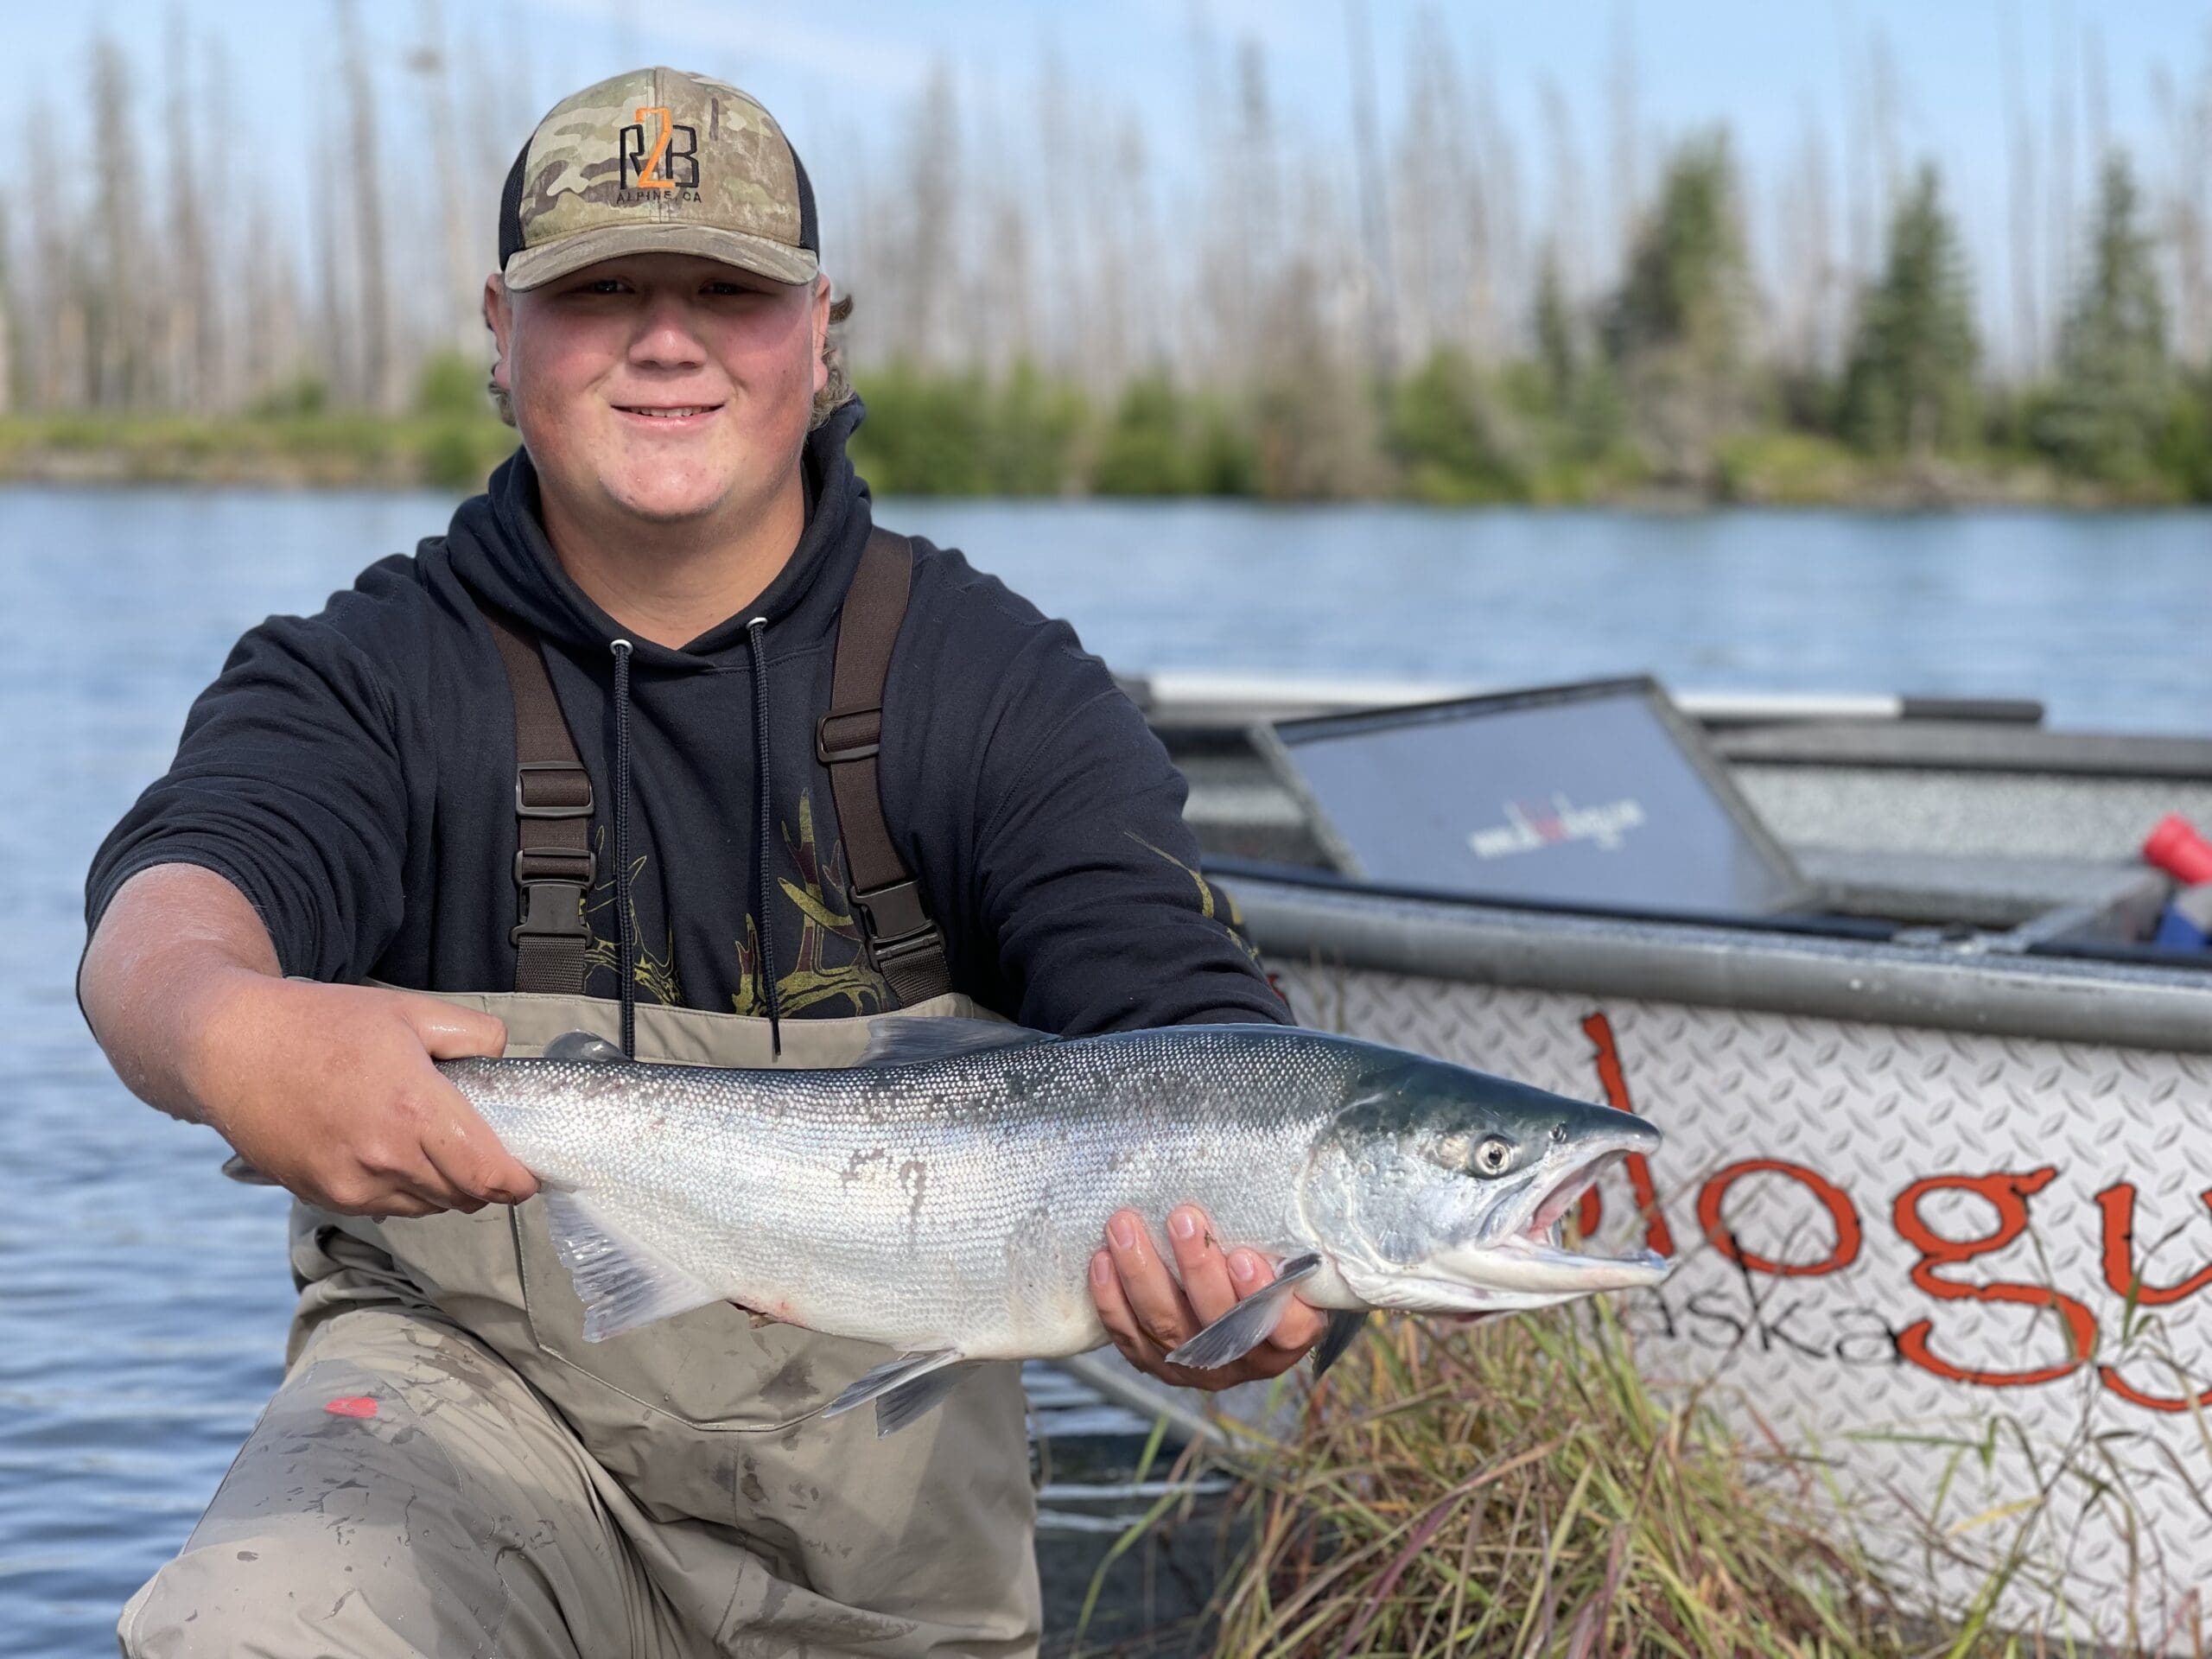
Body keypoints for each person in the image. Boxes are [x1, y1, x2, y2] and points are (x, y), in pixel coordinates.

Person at [79, 67, 1324, 1659]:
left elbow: (1198, 1023)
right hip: (462, 1447)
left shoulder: (997, 687)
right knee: (254, 1627)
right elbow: (169, 912)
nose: (665, 340)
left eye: (726, 291)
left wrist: (1268, 1287)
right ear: (500, 328)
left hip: (885, 1541)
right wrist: (221, 1026)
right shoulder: (364, 676)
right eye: (598, 290)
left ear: (821, 329)